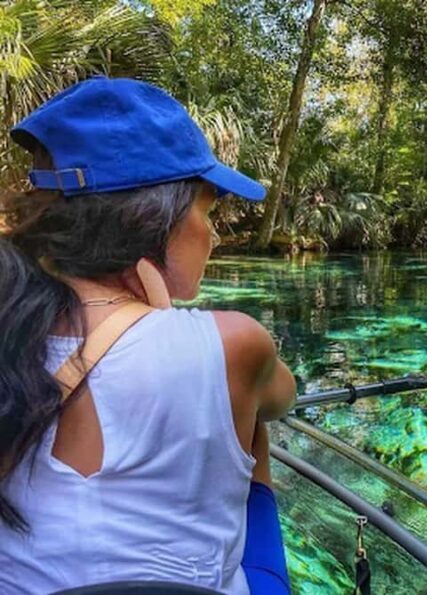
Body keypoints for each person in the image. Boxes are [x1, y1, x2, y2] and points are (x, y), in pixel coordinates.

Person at [0, 77, 296, 594]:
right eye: (208, 211)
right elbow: (281, 399)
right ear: (160, 217)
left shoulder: (10, 327)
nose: (215, 234)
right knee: (252, 433)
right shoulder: (234, 344)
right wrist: (162, 322)